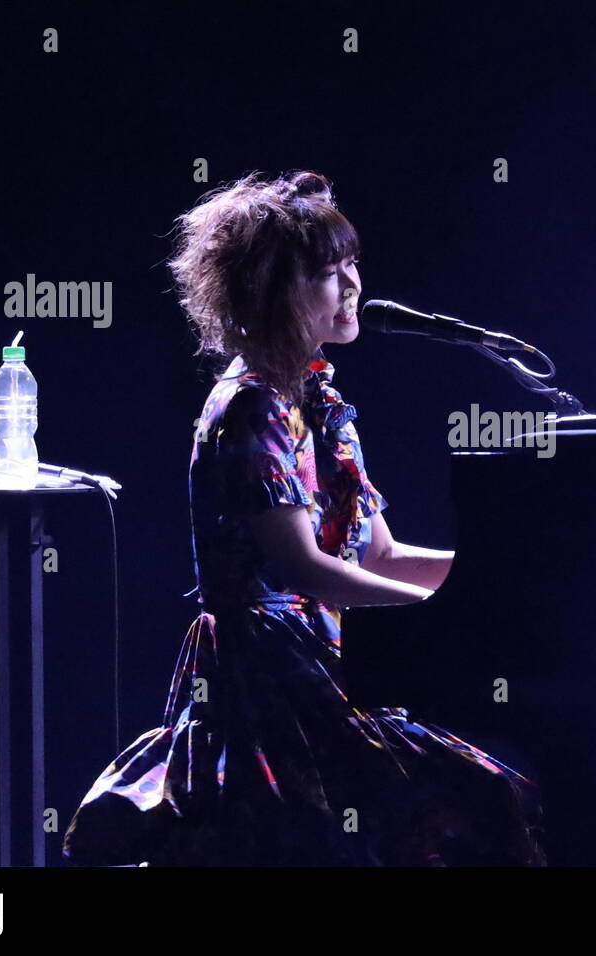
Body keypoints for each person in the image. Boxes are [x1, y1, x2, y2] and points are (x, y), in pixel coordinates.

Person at [61, 170, 546, 866]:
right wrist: (442, 614)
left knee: (478, 805)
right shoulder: (249, 407)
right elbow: (302, 567)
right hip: (269, 679)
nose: (352, 284)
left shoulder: (316, 400)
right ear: (273, 291)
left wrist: (483, 581)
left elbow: (375, 555)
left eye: (352, 263)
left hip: (326, 661)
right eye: (328, 270)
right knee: (435, 812)